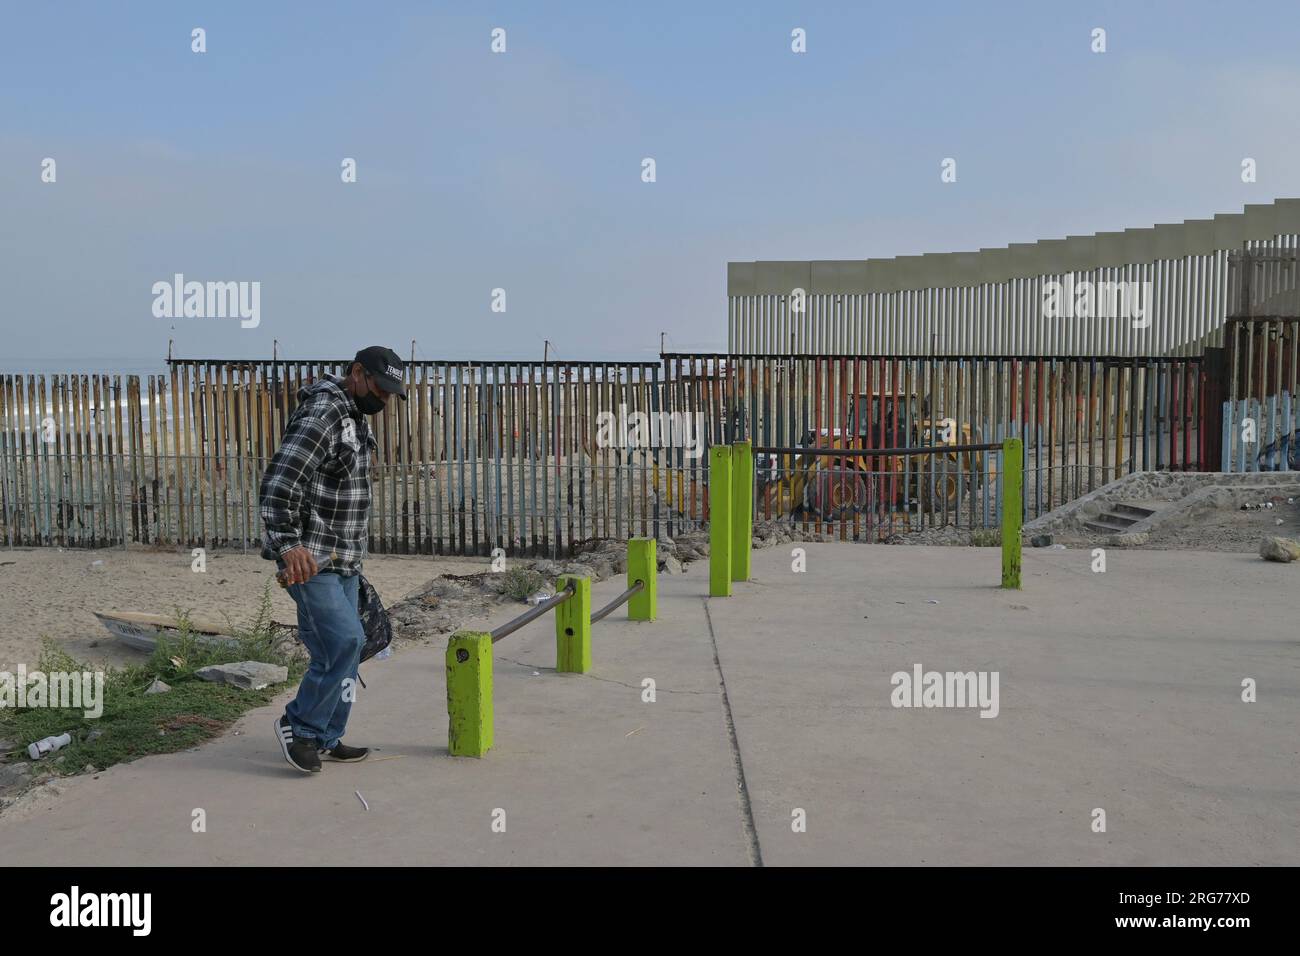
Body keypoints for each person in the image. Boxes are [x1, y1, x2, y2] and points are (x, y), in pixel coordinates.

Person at [260, 346, 406, 773]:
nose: (383, 400)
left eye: (390, 394)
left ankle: (325, 736)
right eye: (379, 389)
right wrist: (289, 547)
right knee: (345, 640)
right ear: (357, 373)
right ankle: (299, 725)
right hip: (311, 558)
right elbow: (277, 485)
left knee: (342, 647)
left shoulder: (353, 417)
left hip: (344, 558)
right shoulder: (322, 413)